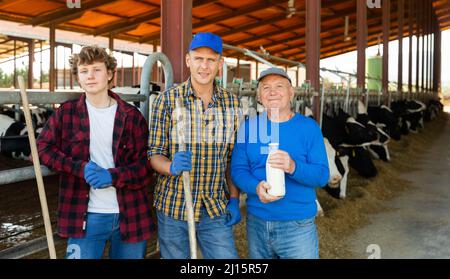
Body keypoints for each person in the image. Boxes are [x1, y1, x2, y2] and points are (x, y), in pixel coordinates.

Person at [37, 45, 154, 259]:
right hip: (84, 216)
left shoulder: (132, 116)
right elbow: (42, 149)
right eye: (84, 71)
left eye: (97, 70)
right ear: (78, 78)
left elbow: (145, 167)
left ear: (109, 74)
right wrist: (79, 168)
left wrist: (113, 176)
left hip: (129, 213)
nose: (90, 76)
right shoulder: (66, 114)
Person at [148, 32, 241, 259]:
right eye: (198, 58)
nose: (204, 66)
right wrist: (170, 166)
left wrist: (235, 199)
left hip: (214, 206)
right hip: (174, 205)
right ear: (188, 60)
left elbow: (232, 158)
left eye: (211, 60)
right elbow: (154, 154)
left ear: (220, 64)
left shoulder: (232, 103)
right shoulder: (168, 101)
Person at [230, 67, 329, 259]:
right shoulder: (249, 127)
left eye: (279, 86)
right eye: (265, 88)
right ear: (259, 96)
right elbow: (238, 169)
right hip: (257, 222)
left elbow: (322, 175)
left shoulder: (309, 128)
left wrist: (293, 166)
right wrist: (255, 187)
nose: (272, 92)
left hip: (297, 226)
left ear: (291, 93)